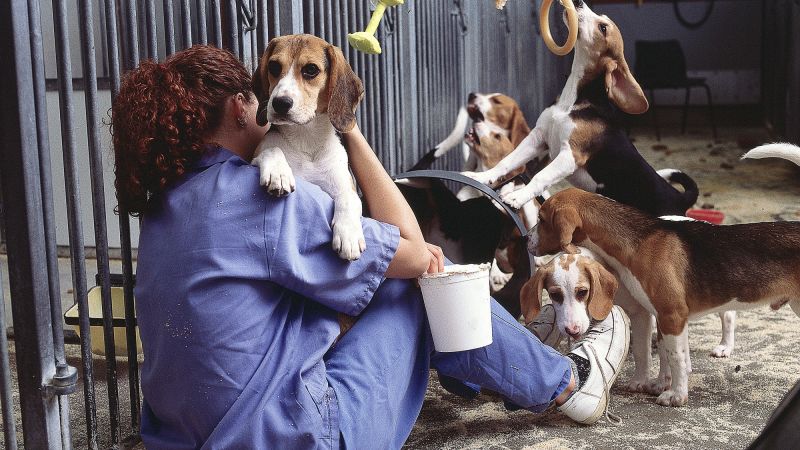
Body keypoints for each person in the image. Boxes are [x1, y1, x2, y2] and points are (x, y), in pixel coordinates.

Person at [112, 45, 630, 450]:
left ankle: (481, 370)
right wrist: (352, 133)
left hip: (186, 438)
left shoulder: (164, 211)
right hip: (300, 435)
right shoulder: (261, 197)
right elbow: (414, 254)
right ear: (237, 106)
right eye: (257, 92)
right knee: (423, 282)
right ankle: (567, 383)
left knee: (378, 282)